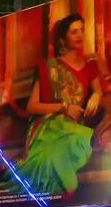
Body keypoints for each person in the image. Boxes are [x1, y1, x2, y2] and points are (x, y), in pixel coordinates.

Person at [14, 14, 100, 196]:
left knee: (77, 139)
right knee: (60, 149)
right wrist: (64, 107)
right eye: (73, 31)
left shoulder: (90, 66)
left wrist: (97, 95)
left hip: (74, 126)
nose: (79, 35)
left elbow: (98, 91)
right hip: (48, 127)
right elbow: (32, 106)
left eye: (82, 30)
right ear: (62, 40)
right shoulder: (49, 67)